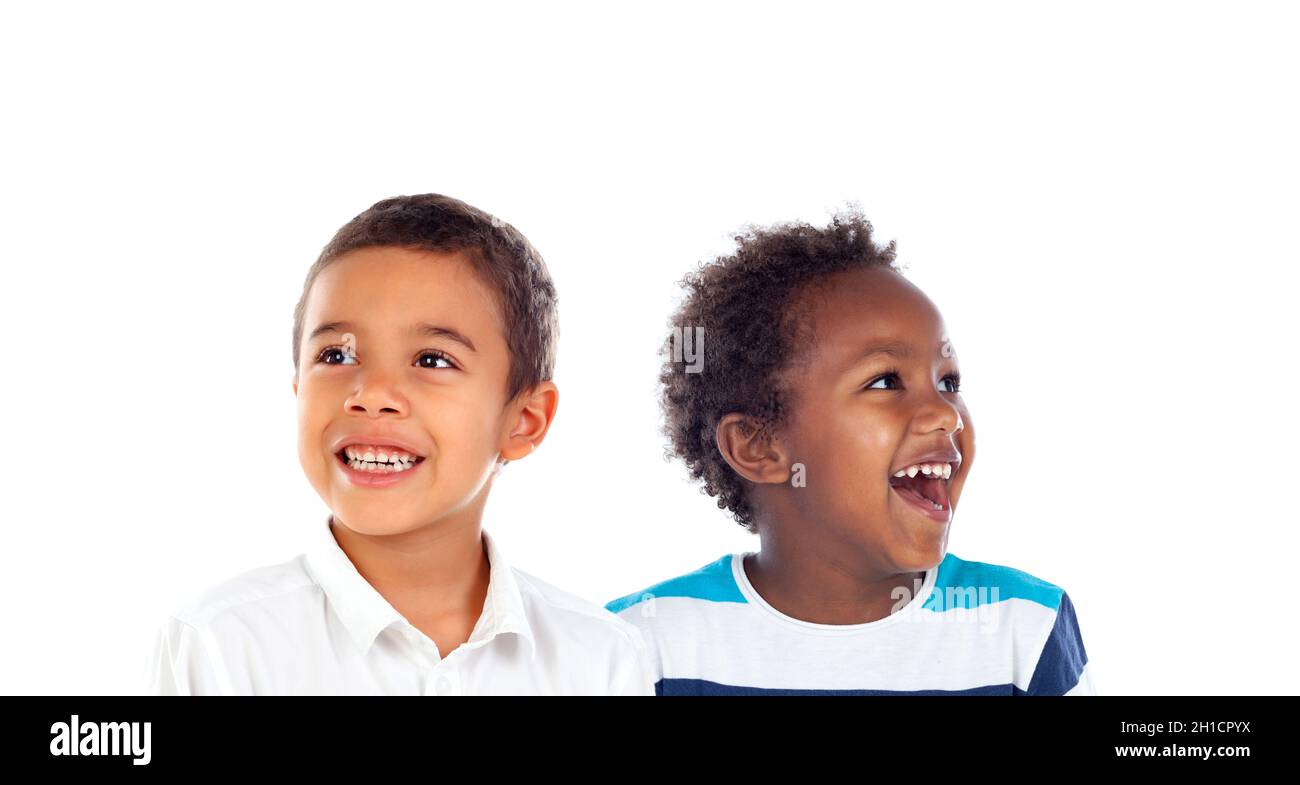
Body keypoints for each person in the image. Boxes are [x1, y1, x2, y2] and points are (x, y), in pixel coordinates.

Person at [147, 193, 654, 695]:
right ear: (298, 388)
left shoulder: (600, 658)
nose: (371, 395)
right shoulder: (219, 643)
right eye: (336, 355)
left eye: (432, 360)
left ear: (524, 420)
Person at [606, 208, 1095, 695]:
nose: (946, 414)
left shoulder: (1025, 629)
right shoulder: (639, 645)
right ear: (760, 446)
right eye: (886, 381)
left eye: (948, 381)